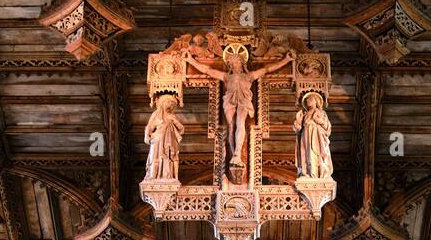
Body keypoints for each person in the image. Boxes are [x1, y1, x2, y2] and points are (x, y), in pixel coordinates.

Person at [186, 46, 292, 174]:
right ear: (230, 65)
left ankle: (237, 153)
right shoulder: (226, 76)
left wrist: (286, 60)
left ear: (242, 64)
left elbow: (267, 69)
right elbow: (208, 70)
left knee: (240, 123)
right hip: (229, 102)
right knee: (231, 126)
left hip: (244, 102)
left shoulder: (249, 76)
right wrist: (191, 61)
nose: (236, 64)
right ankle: (233, 155)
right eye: (233, 63)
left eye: (238, 62)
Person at [143, 93, 184, 180]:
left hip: (169, 140)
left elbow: (181, 129)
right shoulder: (156, 114)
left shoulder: (172, 116)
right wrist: (147, 134)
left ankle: (167, 175)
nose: (170, 104)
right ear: (162, 103)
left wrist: (174, 121)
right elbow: (150, 126)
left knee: (168, 156)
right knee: (155, 156)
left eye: (171, 103)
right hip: (158, 138)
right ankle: (153, 175)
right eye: (168, 102)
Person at [293, 91, 333, 179]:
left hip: (316, 135)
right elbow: (297, 128)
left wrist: (317, 119)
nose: (308, 101)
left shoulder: (321, 112)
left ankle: (318, 173)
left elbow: (327, 126)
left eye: (310, 99)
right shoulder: (304, 114)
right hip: (305, 134)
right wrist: (298, 120)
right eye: (307, 100)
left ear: (316, 101)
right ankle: (307, 172)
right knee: (306, 153)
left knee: (315, 153)